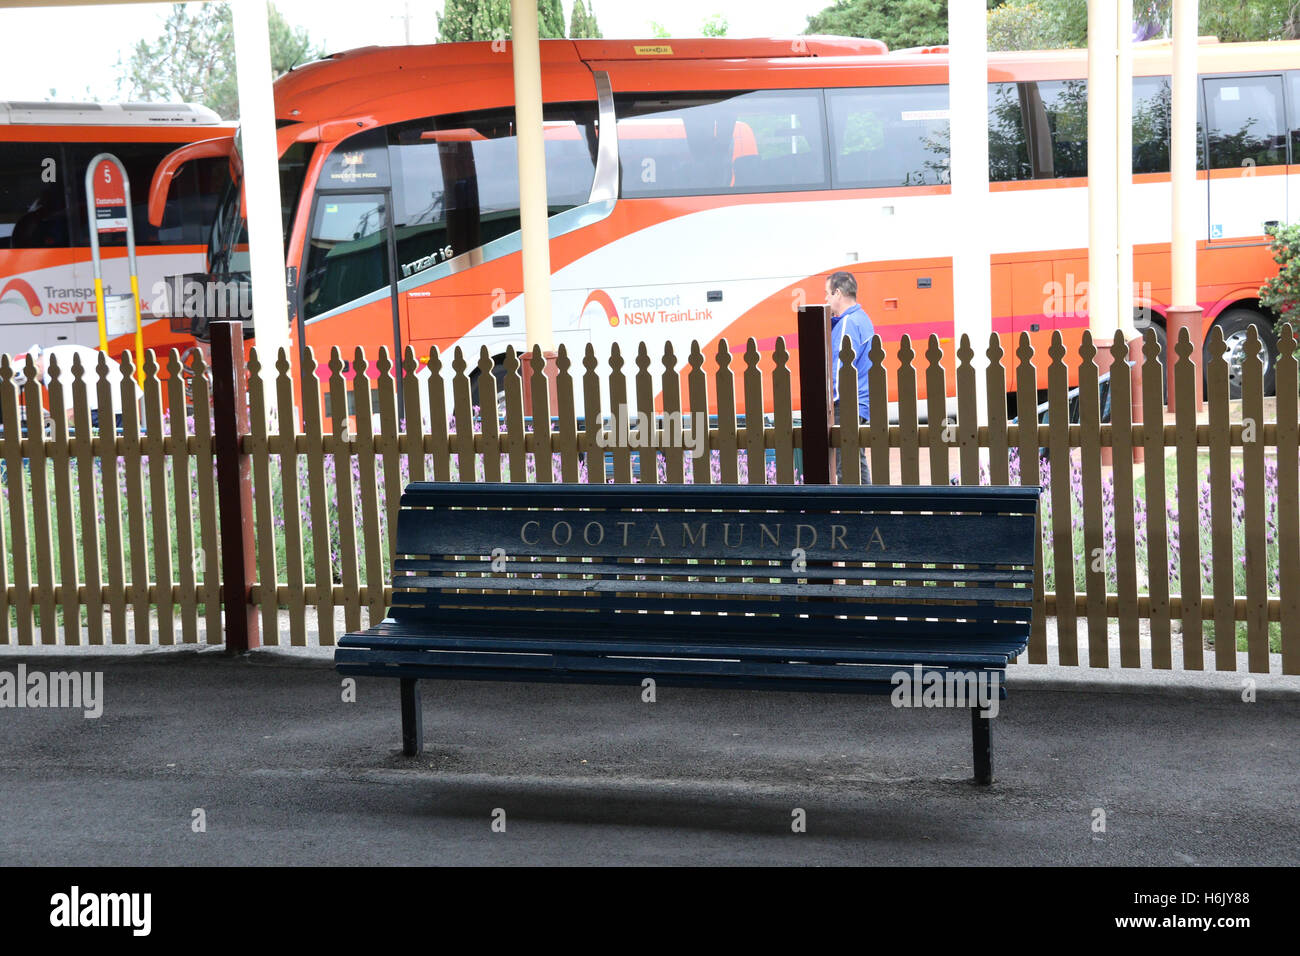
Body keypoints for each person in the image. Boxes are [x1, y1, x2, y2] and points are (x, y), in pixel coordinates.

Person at [825, 271, 873, 483]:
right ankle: (869, 509)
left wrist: (830, 402)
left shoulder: (847, 323)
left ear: (837, 293)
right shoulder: (863, 319)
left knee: (846, 465)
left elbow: (839, 368)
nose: (825, 299)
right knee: (857, 459)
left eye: (827, 293)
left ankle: (852, 512)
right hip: (860, 400)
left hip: (846, 402)